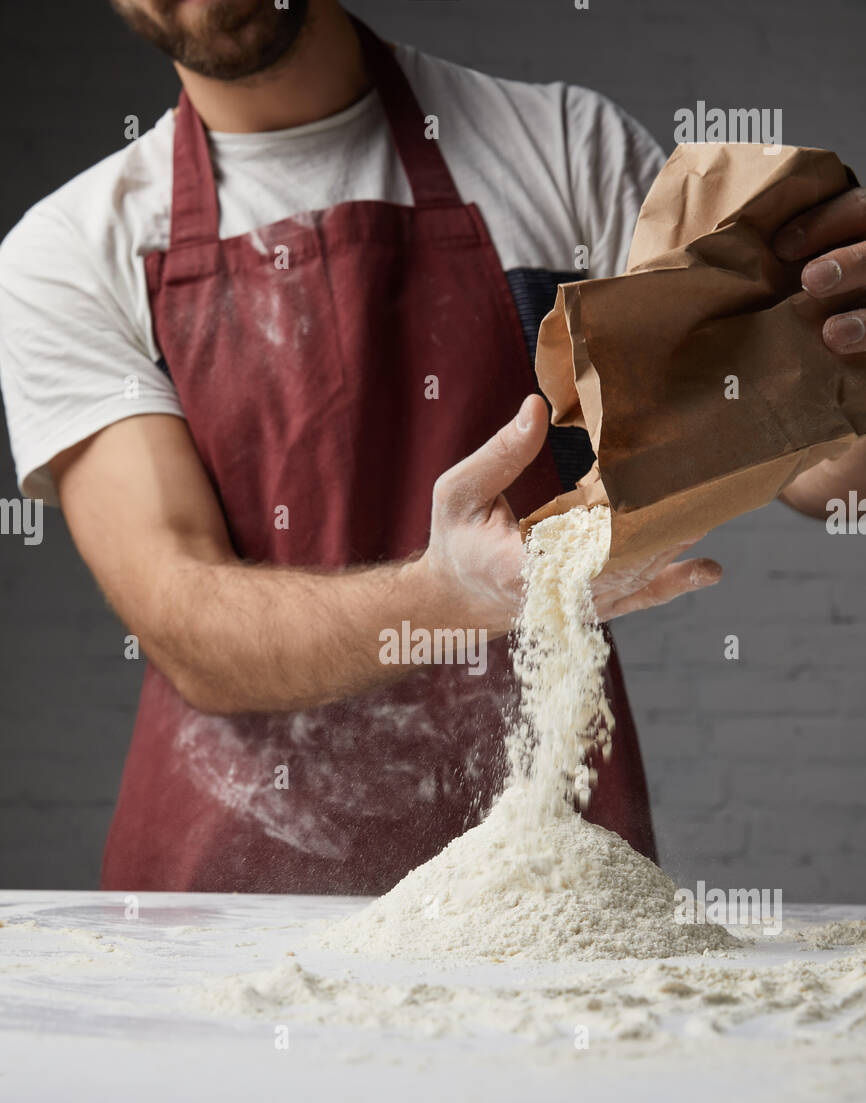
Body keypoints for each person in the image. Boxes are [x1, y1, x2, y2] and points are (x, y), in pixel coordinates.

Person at [0, 2, 860, 895]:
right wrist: (444, 596)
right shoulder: (72, 253)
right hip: (224, 914)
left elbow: (813, 460)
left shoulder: (564, 150)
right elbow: (184, 619)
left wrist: (841, 363)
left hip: (545, 887)